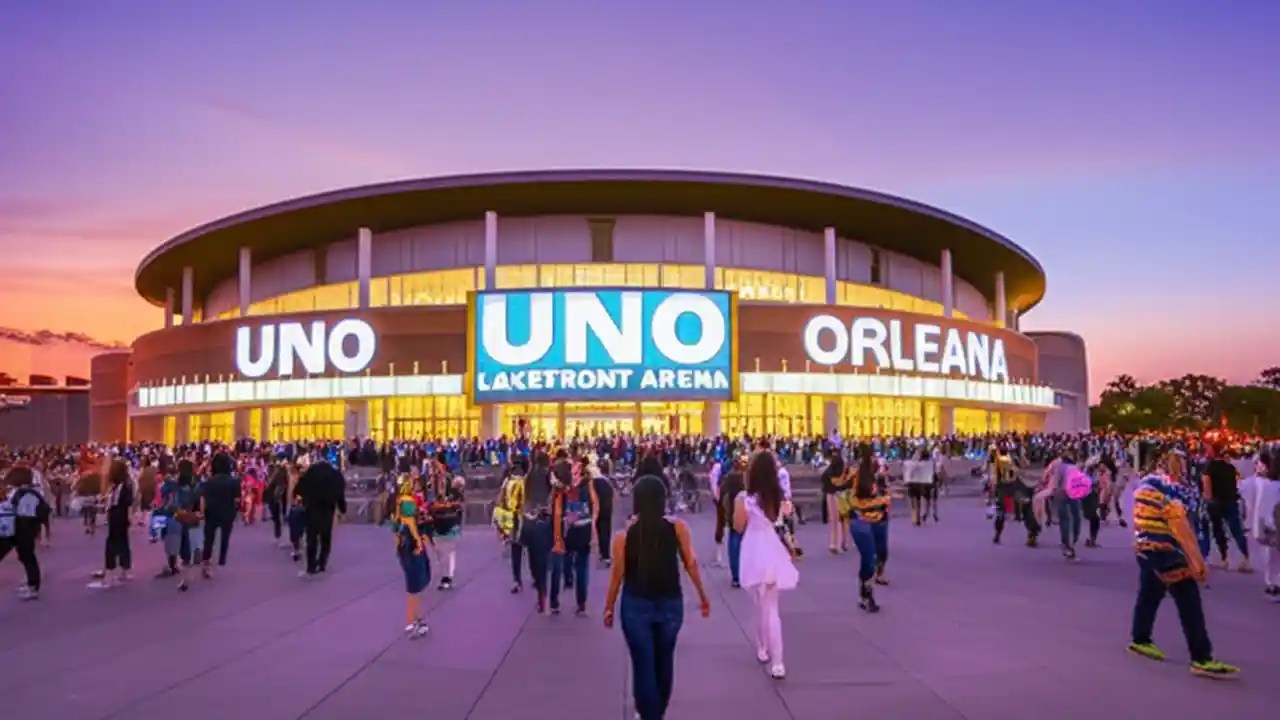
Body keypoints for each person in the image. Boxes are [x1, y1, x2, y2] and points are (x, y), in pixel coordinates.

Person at [603, 475, 710, 720]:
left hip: (635, 605)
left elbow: (617, 576)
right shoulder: (678, 528)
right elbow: (690, 563)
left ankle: (648, 713)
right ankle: (656, 713)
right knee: (664, 661)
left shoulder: (623, 538)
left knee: (642, 664)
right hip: (670, 603)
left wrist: (608, 607)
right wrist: (702, 596)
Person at [1128, 450, 1238, 678]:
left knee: (1150, 593)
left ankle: (1140, 638)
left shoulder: (1147, 484)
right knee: (1188, 599)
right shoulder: (1175, 490)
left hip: (1147, 549)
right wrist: (1196, 560)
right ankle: (1201, 657)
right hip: (1167, 551)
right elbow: (1181, 527)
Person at [733, 450, 799, 679]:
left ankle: (763, 648)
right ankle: (777, 661)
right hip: (771, 547)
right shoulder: (777, 498)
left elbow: (738, 527)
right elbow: (783, 518)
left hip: (752, 548)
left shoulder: (744, 499)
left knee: (759, 604)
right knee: (772, 607)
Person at [848, 443, 890, 612]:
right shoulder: (856, 475)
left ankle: (866, 590)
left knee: (881, 553)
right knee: (869, 557)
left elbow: (886, 492)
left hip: (880, 519)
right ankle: (867, 595)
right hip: (861, 521)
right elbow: (852, 499)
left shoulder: (879, 474)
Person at [1, 464, 51, 600]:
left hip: (22, 529)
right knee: (26, 556)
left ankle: (33, 586)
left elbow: (25, 514)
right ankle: (32, 585)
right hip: (18, 529)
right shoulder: (24, 492)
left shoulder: (27, 494)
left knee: (27, 556)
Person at [1201, 445, 1252, 573]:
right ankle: (1245, 556)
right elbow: (1236, 481)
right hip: (1230, 501)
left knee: (1219, 531)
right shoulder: (1230, 467)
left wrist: (1207, 499)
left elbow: (1206, 483)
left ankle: (1224, 557)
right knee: (1236, 530)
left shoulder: (1209, 467)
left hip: (1215, 502)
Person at [294, 458, 347, 578]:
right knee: (326, 537)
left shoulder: (311, 472)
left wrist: (298, 497)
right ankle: (322, 563)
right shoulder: (335, 474)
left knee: (311, 538)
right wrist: (342, 509)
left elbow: (299, 488)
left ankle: (311, 567)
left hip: (312, 508)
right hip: (328, 509)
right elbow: (340, 493)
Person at [392, 476, 431, 638]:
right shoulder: (407, 502)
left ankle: (414, 619)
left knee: (413, 586)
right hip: (411, 548)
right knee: (414, 586)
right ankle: (413, 621)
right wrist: (418, 542)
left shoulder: (398, 504)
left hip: (403, 548)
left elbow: (396, 528)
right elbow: (410, 522)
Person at [1239, 451, 1280, 596]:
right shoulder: (1264, 483)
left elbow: (1243, 490)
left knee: (1271, 555)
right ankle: (1274, 583)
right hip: (1272, 523)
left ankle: (1273, 583)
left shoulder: (1261, 482)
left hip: (1267, 524)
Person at [89, 459, 135, 589]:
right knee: (122, 543)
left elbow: (124, 502)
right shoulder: (120, 486)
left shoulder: (123, 487)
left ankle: (109, 576)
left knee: (112, 544)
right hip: (120, 516)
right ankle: (124, 569)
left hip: (118, 517)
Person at [521, 449, 555, 613]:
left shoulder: (529, 477)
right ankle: (543, 588)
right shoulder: (549, 476)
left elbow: (525, 497)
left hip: (529, 518)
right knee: (543, 557)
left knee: (533, 556)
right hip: (543, 518)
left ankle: (538, 583)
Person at [200, 452, 241, 578]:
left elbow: (203, 497)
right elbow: (237, 500)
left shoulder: (209, 481)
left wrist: (202, 511)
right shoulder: (234, 481)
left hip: (211, 511)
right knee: (225, 536)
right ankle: (221, 558)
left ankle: (206, 562)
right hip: (227, 511)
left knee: (209, 538)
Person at [718, 454, 747, 588]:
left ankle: (736, 576)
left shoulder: (728, 479)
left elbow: (722, 497)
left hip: (732, 514)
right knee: (745, 545)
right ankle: (745, 573)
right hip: (745, 515)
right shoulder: (745, 479)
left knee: (734, 545)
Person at [820, 448, 849, 553]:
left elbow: (824, 478)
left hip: (833, 493)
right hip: (836, 493)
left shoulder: (832, 467)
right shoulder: (838, 467)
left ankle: (835, 543)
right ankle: (838, 543)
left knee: (835, 519)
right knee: (837, 519)